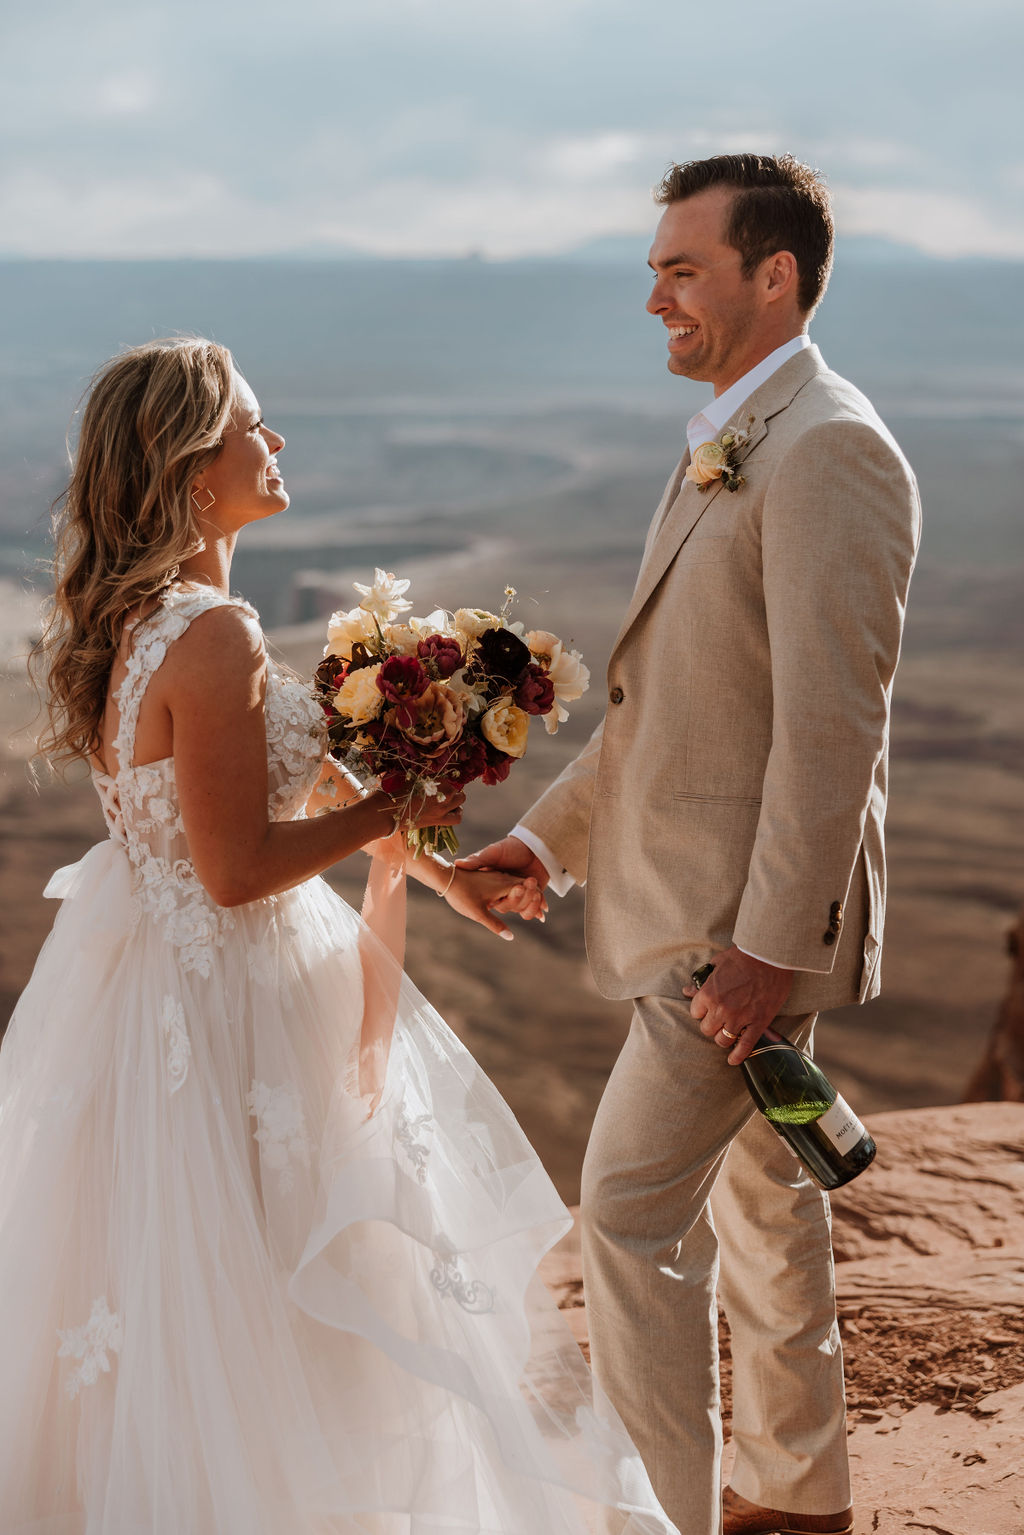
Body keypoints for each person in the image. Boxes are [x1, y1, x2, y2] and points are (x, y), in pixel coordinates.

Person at [1, 336, 680, 1535]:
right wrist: (398, 800)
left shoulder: (142, 622)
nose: (277, 443)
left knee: (200, 1301)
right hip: (235, 1006)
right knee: (289, 1289)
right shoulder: (214, 634)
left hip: (154, 989)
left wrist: (429, 865)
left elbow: (270, 804)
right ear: (191, 467)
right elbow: (235, 868)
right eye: (254, 426)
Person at [461, 154, 921, 1535]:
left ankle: (658, 1513)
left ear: (772, 277)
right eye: (656, 263)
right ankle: (798, 1494)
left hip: (735, 938)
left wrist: (769, 950)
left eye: (682, 266)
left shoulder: (829, 445)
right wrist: (546, 842)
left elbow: (833, 728)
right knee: (773, 1211)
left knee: (626, 1215)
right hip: (697, 914)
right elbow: (668, 709)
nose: (652, 291)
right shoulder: (738, 435)